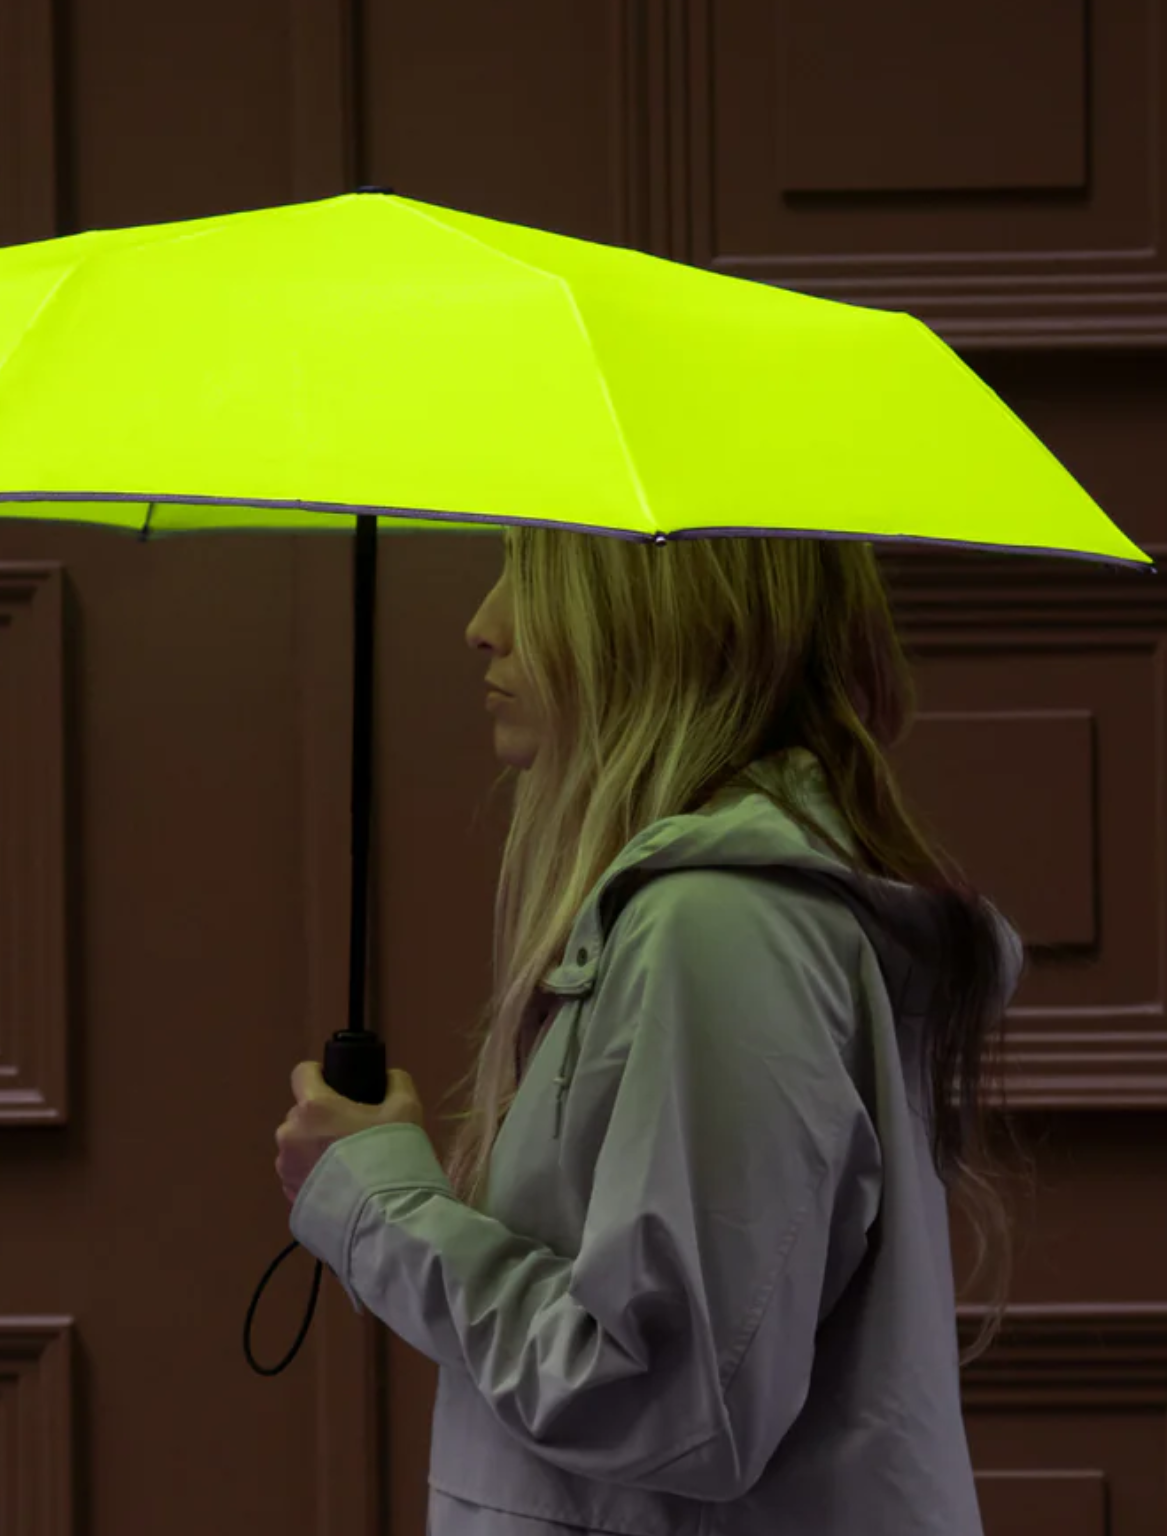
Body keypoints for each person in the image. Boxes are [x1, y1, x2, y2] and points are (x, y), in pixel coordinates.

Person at [286, 525, 1025, 1534]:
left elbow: (678, 1401)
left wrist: (379, 1204)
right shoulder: (711, 914)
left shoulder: (718, 928)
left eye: (535, 579)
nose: (481, 626)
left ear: (656, 620)